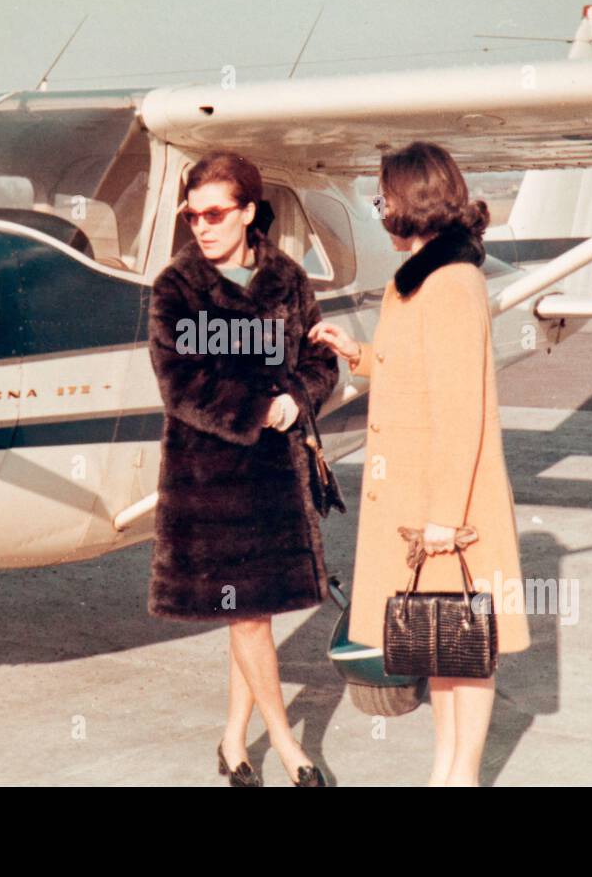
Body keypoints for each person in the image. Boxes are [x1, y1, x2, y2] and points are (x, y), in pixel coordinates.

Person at [309, 140, 531, 787]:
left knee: (467, 645)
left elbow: (462, 410)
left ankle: (459, 777)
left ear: (410, 202)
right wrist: (359, 353)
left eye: (383, 197)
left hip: (448, 507)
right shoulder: (421, 279)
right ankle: (445, 771)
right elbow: (415, 372)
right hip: (418, 499)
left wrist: (444, 520)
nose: (378, 210)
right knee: (441, 647)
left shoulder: (452, 283)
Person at [147, 150, 339, 786]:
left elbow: (321, 362)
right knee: (250, 616)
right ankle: (287, 744)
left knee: (251, 612)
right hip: (210, 483)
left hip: (277, 478)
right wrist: (263, 409)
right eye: (192, 215)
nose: (201, 227)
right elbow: (182, 387)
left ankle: (233, 743)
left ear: (249, 212)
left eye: (215, 213)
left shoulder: (287, 280)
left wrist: (298, 398)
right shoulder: (176, 289)